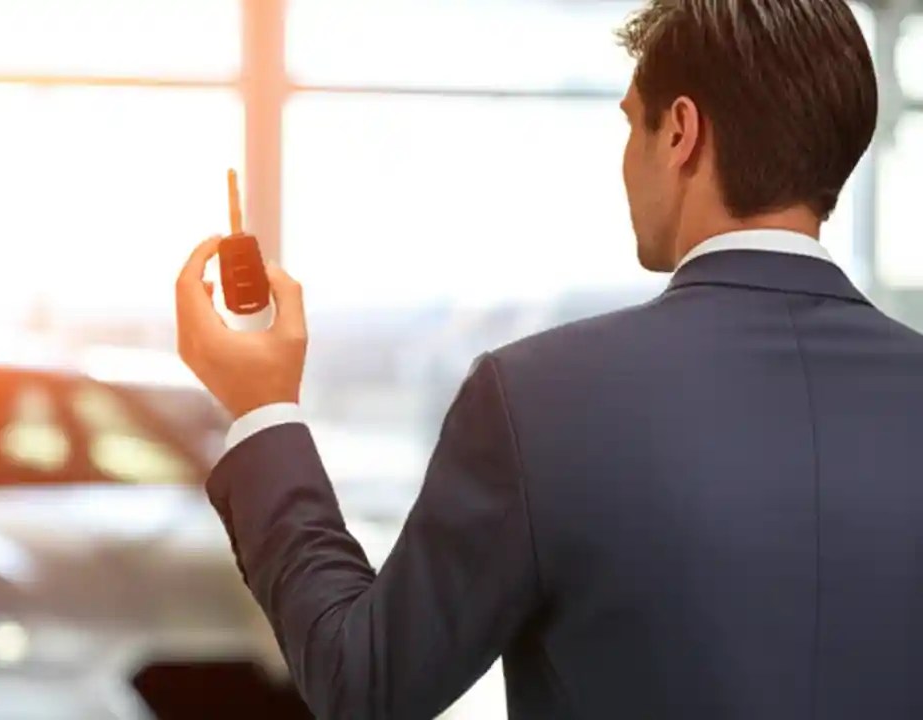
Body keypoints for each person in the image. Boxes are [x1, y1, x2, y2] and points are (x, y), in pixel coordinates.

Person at [174, 1, 908, 717]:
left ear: (680, 131)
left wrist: (263, 408)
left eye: (632, 123)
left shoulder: (540, 399)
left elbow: (365, 682)